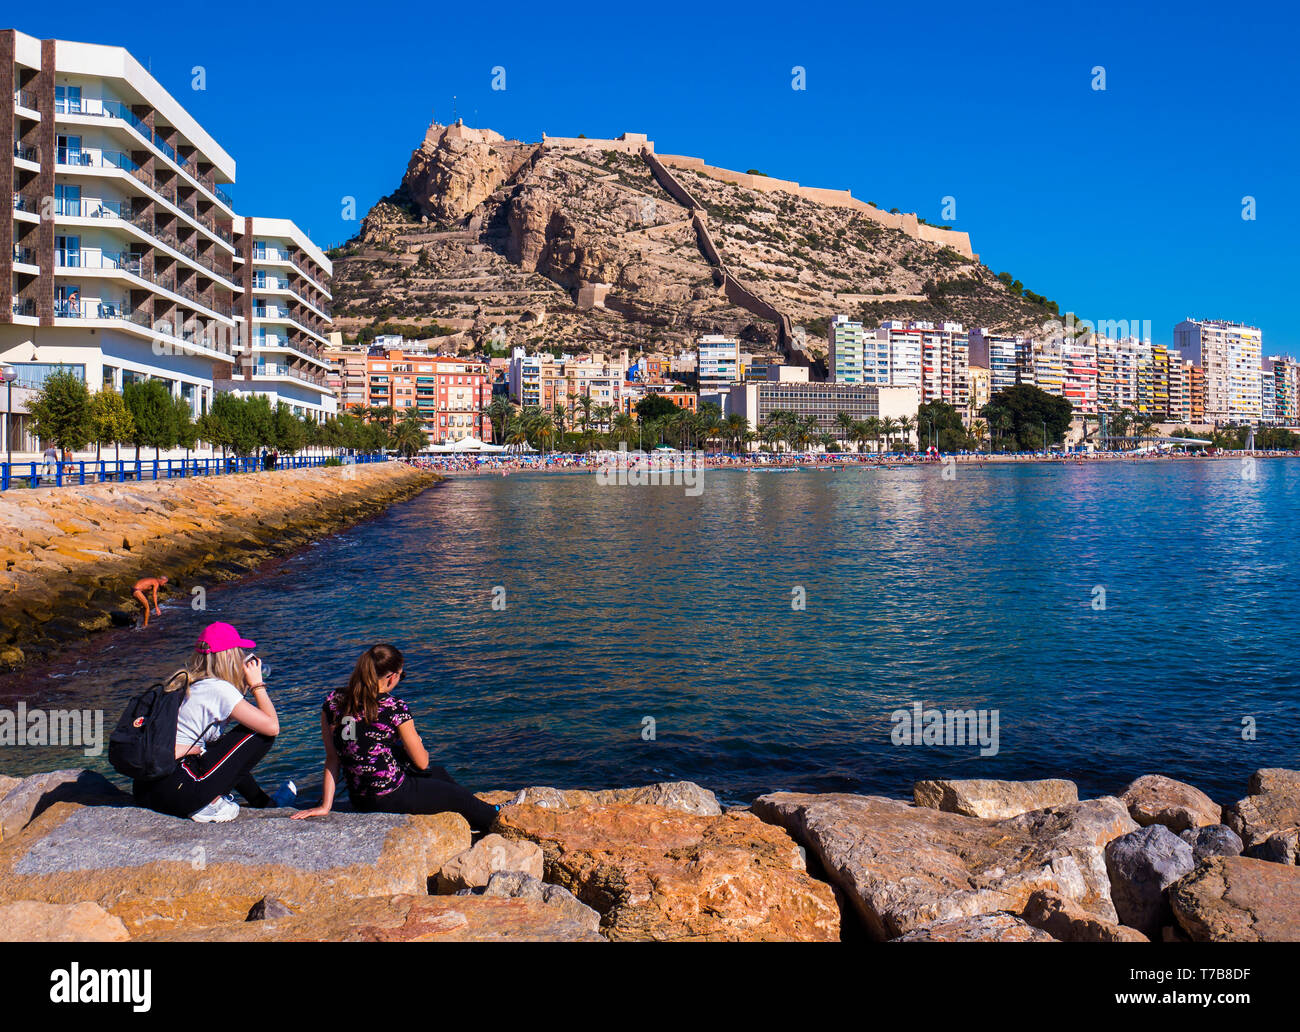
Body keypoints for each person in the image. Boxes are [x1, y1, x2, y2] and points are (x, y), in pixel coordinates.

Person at [292, 644, 501, 830]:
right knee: (459, 797)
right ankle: (497, 816)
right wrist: (418, 742)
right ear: (392, 677)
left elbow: (332, 758)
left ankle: (475, 819)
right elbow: (422, 762)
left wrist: (325, 806)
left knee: (439, 774)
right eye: (402, 675)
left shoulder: (333, 702)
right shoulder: (394, 708)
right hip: (391, 796)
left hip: (359, 798)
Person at [133, 621, 290, 823]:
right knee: (259, 734)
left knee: (226, 746)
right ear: (228, 656)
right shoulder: (219, 690)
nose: (243, 656)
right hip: (179, 790)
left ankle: (263, 803)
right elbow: (272, 726)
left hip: (147, 790)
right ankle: (208, 804)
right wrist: (257, 685)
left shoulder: (183, 682)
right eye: (239, 651)